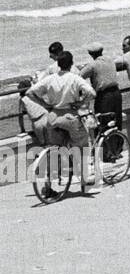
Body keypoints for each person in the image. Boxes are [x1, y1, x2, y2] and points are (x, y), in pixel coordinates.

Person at [24, 51, 98, 191]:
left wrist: (45, 104)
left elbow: (29, 93)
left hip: (52, 116)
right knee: (82, 145)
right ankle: (84, 178)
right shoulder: (74, 78)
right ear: (71, 64)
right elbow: (92, 93)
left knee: (54, 150)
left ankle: (48, 185)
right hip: (69, 116)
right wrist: (81, 102)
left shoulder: (50, 78)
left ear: (58, 64)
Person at [80, 42, 123, 133]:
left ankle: (106, 146)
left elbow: (79, 76)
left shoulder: (93, 65)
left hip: (104, 96)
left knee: (103, 122)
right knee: (117, 122)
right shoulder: (110, 60)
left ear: (90, 54)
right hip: (116, 93)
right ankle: (119, 146)